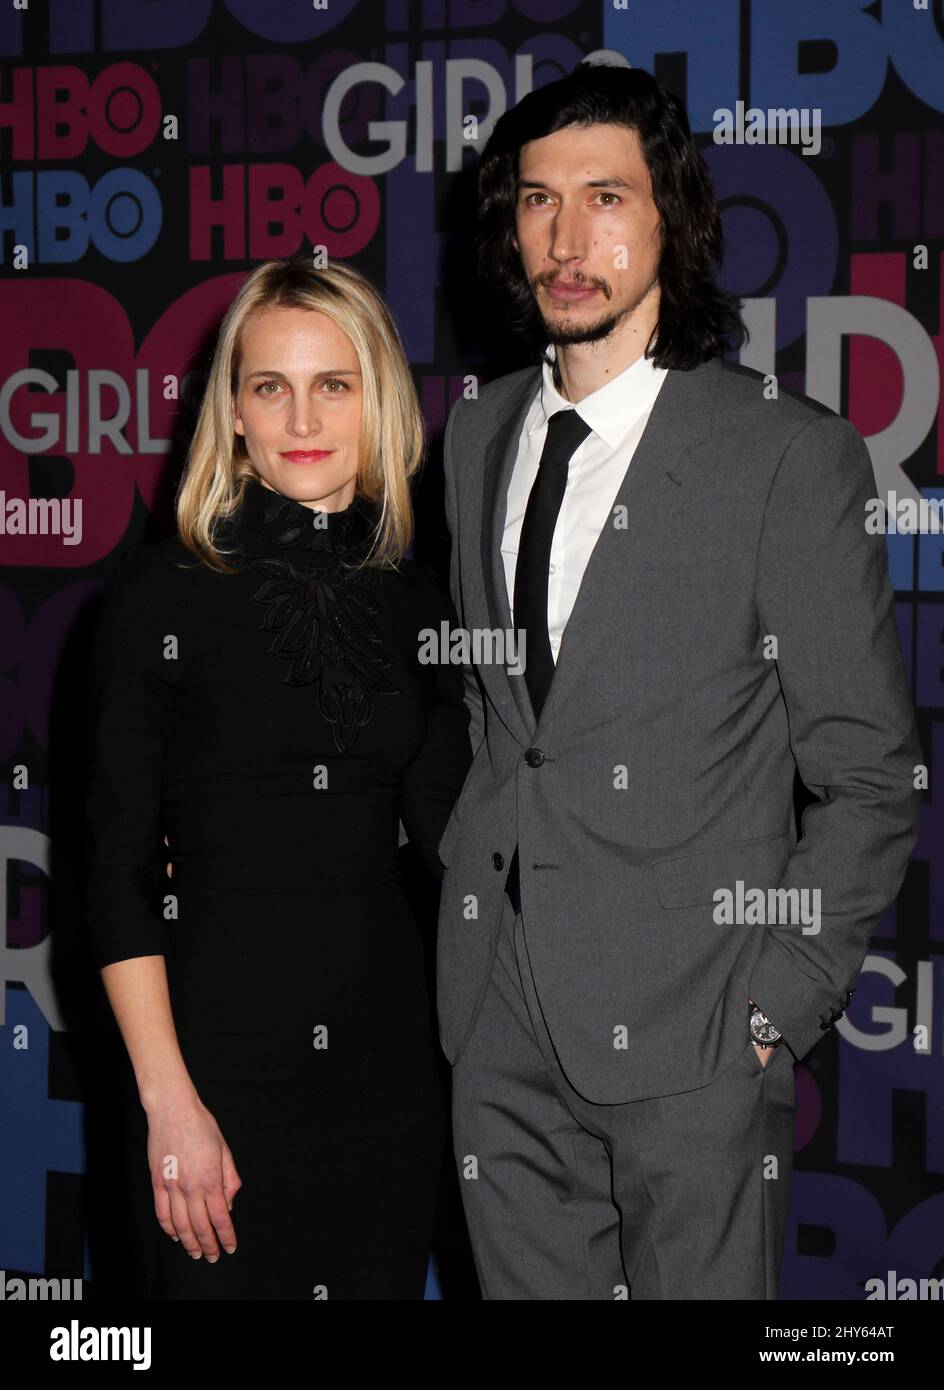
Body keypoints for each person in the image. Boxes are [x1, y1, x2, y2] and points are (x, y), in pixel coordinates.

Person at [436, 62, 923, 1299]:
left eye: (604, 196)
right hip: (497, 1019)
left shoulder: (783, 456)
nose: (565, 237)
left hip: (698, 1032)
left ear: (672, 220)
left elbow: (869, 775)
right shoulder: (477, 434)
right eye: (537, 201)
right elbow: (499, 727)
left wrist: (774, 1004)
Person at [85, 256, 472, 1300]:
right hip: (210, 1069)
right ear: (236, 417)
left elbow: (457, 842)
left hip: (388, 1079)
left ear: (376, 401)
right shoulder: (158, 594)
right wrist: (169, 1100)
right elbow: (115, 871)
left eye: (332, 384)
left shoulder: (422, 605)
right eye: (270, 385)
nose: (302, 414)